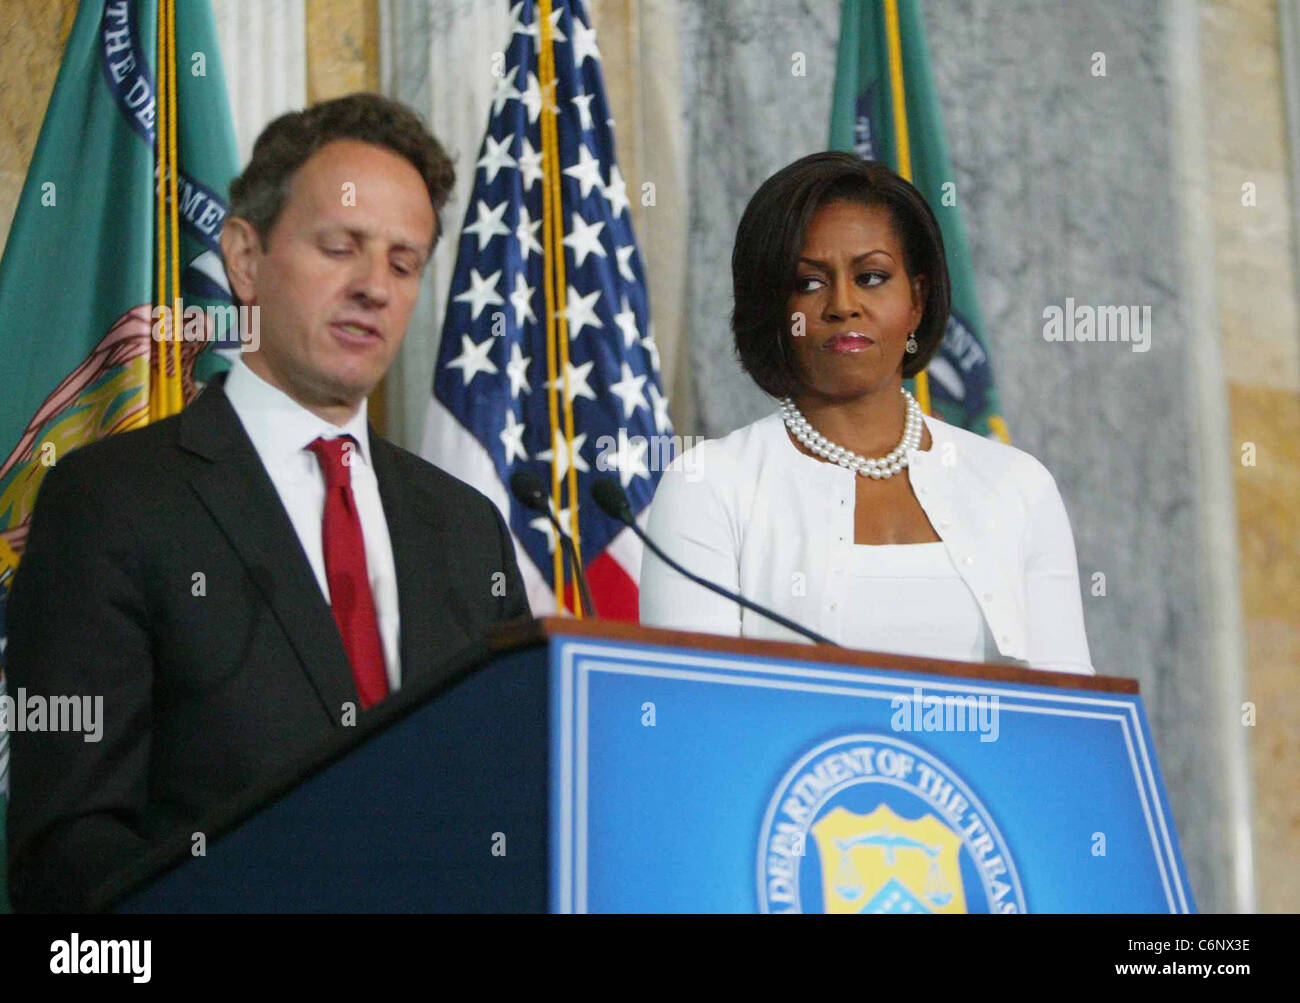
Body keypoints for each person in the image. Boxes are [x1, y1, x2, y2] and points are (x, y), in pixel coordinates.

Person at [5, 93, 530, 912]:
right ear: (245, 257)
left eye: (403, 262)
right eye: (340, 248)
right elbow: (67, 851)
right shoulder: (112, 500)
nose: (374, 288)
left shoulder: (467, 528)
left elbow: (508, 806)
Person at [639, 152, 1093, 676]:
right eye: (808, 283)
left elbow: (1069, 713)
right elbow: (696, 715)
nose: (843, 305)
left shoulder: (1018, 486)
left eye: (872, 277)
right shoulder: (709, 485)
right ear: (772, 309)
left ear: (917, 300)